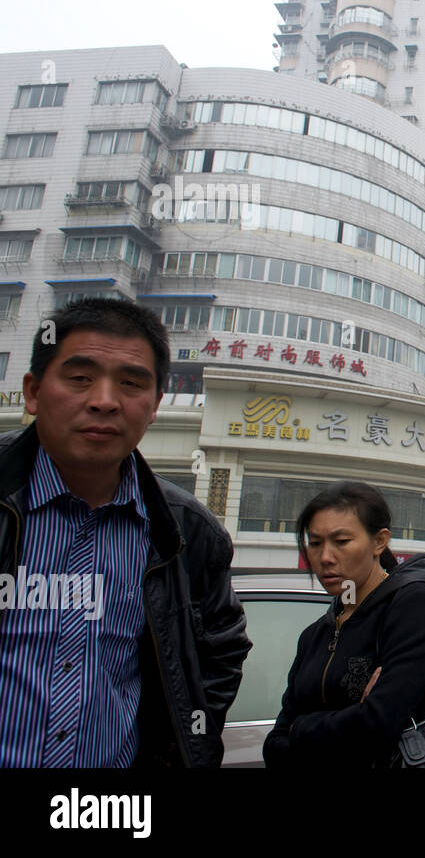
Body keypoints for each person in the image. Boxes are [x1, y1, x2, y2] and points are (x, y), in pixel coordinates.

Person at [0, 298, 251, 767]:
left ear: (155, 404)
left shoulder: (187, 533)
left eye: (132, 383)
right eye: (79, 378)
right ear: (33, 391)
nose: (104, 400)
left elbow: (221, 651)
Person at [263, 482, 425, 768]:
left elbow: (377, 726)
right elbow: (273, 746)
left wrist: (300, 729)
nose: (325, 557)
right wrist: (351, 719)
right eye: (315, 543)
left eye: (341, 542)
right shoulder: (314, 635)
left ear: (379, 541)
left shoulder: (413, 605)